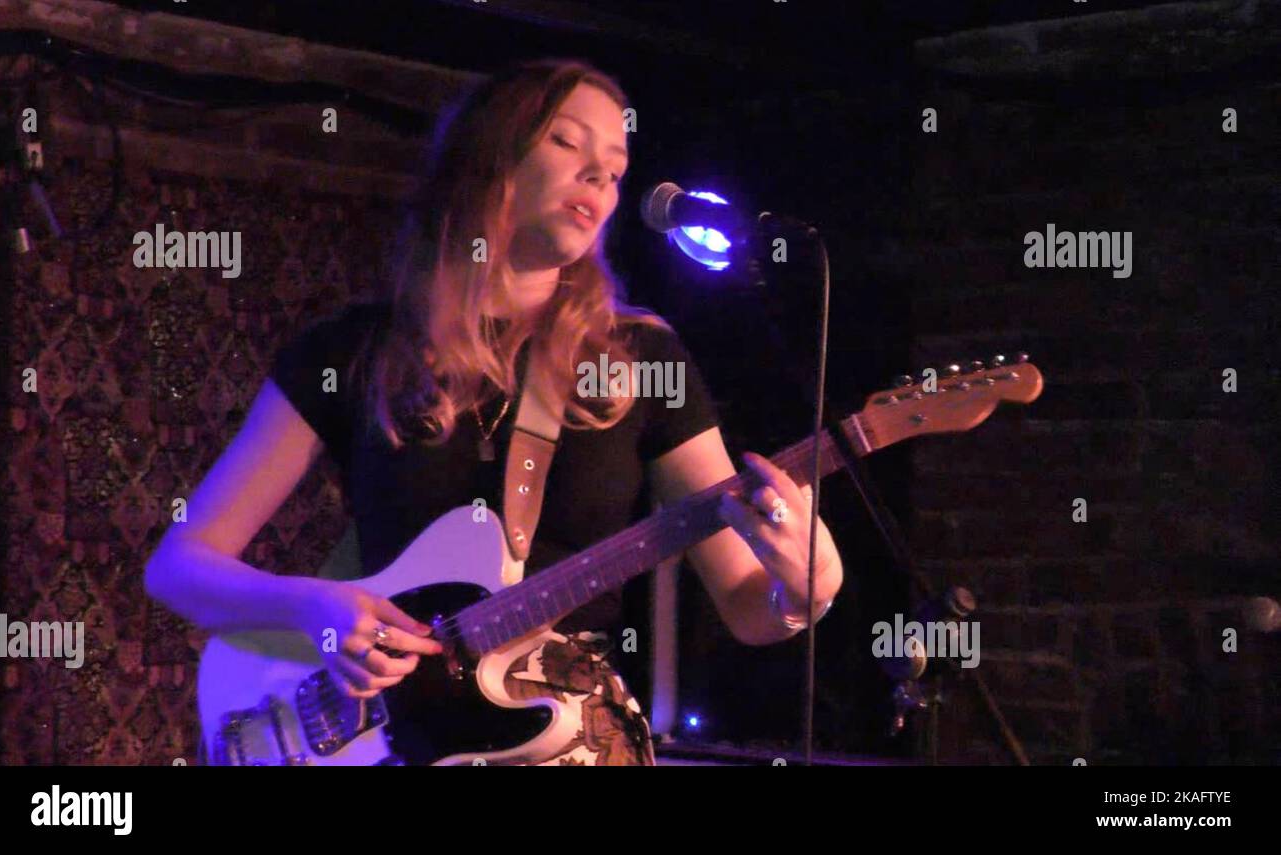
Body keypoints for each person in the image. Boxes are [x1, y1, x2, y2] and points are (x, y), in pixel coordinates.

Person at [145, 58, 844, 766]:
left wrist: (807, 584)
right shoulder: (354, 349)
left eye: (617, 163)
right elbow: (179, 566)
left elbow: (749, 604)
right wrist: (315, 608)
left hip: (569, 732)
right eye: (569, 143)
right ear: (490, 157)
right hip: (395, 740)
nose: (601, 175)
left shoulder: (642, 358)